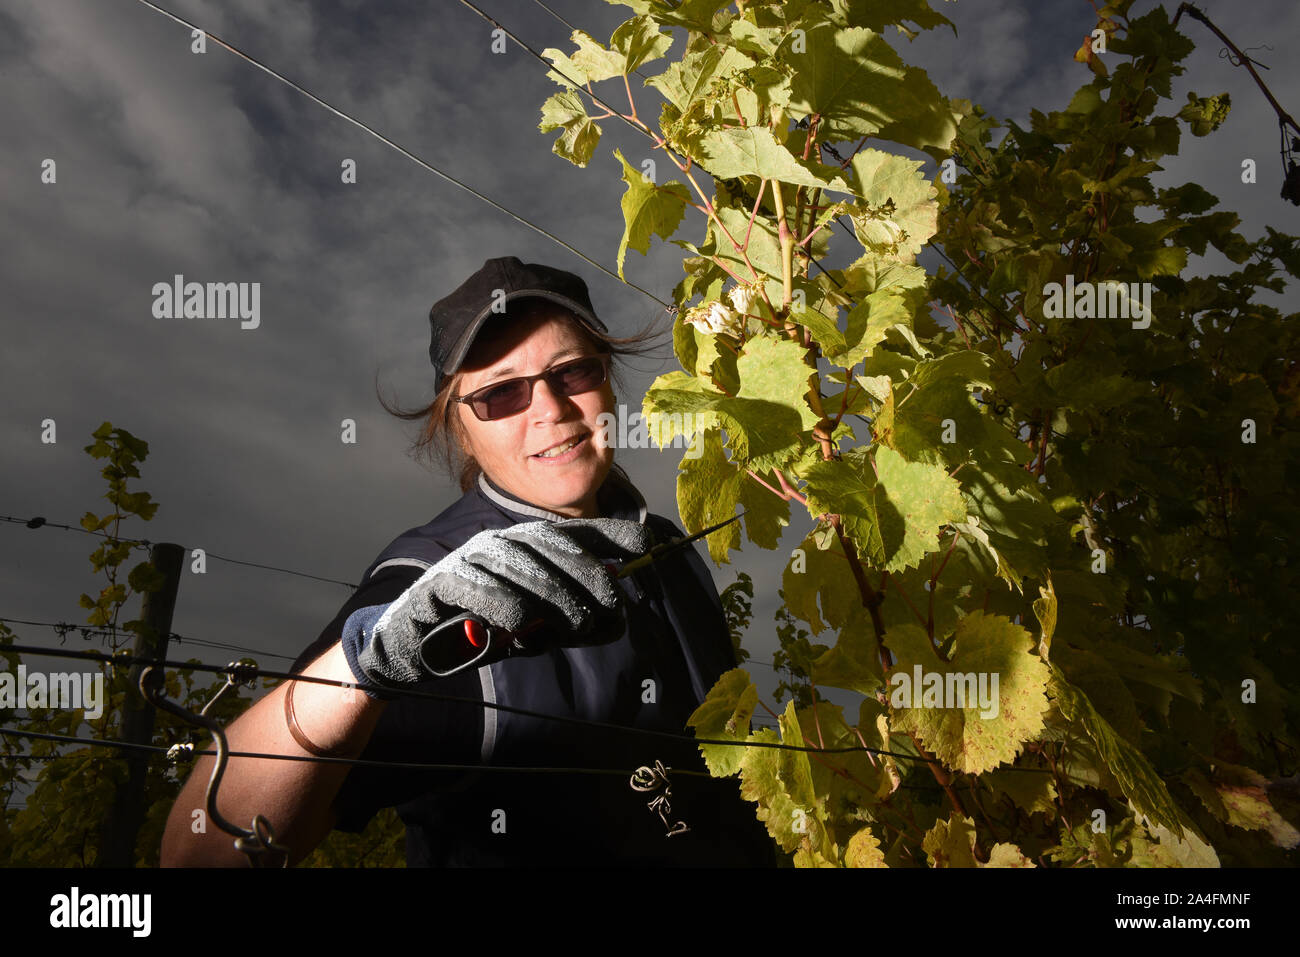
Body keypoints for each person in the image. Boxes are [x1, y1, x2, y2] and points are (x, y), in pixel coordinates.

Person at [160, 256, 776, 867]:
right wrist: (366, 665)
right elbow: (201, 855)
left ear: (607, 379)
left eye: (574, 372)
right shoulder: (430, 587)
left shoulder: (662, 542)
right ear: (459, 429)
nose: (552, 409)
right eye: (501, 393)